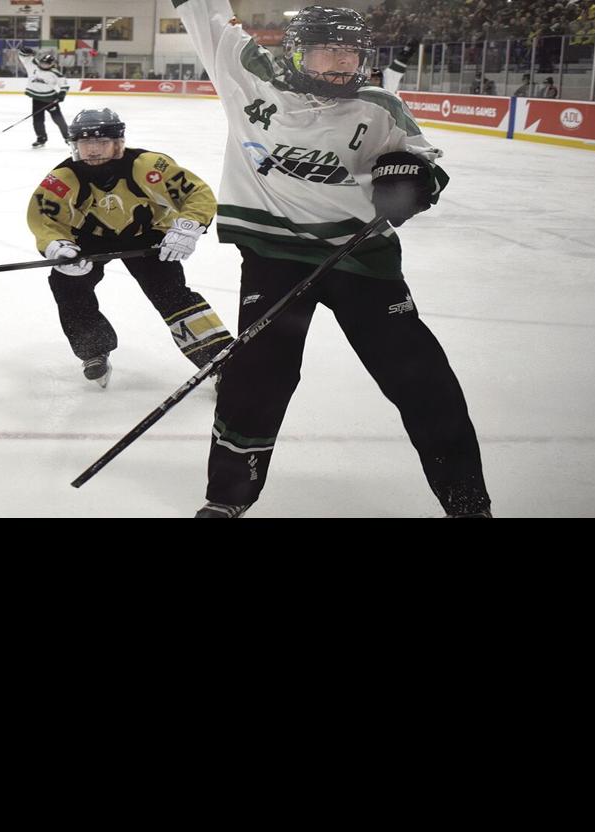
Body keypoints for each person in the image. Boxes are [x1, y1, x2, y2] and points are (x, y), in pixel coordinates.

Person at [172, 1, 492, 518]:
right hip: (273, 253)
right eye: (328, 51)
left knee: (423, 379)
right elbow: (201, 9)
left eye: (351, 52)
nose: (342, 63)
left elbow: (424, 163)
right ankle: (226, 499)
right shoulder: (248, 74)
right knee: (257, 376)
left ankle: (468, 502)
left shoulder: (379, 106)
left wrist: (411, 184)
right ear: (297, 52)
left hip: (361, 259)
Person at [28, 109, 233, 388]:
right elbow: (44, 217)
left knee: (171, 293)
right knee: (67, 284)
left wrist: (187, 226)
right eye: (85, 143)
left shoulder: (149, 165)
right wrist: (58, 246)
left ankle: (222, 361)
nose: (93, 150)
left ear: (118, 143)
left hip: (146, 234)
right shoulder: (63, 177)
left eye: (101, 142)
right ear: (74, 145)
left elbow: (196, 193)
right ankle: (93, 350)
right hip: (91, 238)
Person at [17, 46, 70, 149]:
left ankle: (68, 137)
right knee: (37, 120)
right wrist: (25, 51)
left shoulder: (55, 73)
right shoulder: (32, 66)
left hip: (50, 100)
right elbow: (23, 57)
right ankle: (41, 138)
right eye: (42, 62)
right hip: (36, 99)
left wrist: (61, 95)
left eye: (47, 63)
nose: (44, 65)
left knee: (58, 120)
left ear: (52, 64)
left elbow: (64, 86)